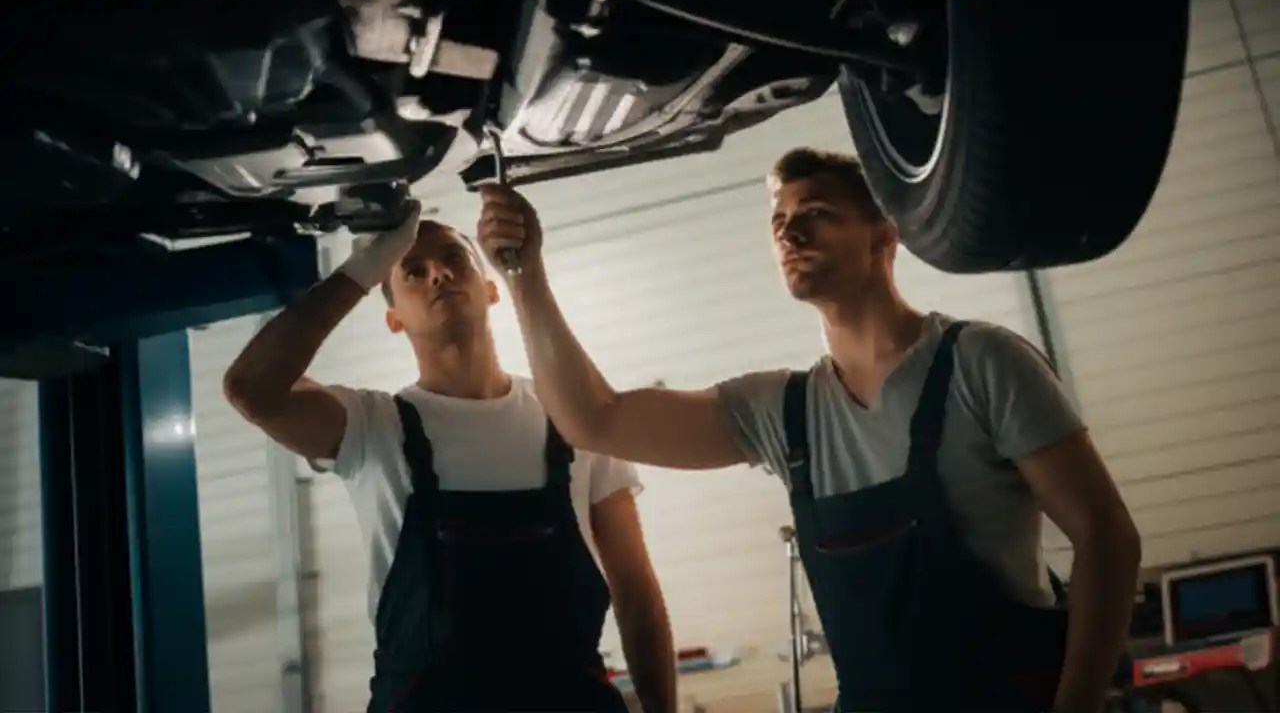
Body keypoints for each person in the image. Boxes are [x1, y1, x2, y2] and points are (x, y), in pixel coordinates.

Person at [476, 147, 1142, 713]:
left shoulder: (981, 363)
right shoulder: (784, 412)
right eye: (780, 222)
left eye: (817, 214)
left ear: (885, 233)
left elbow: (1106, 537)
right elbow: (594, 420)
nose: (790, 235)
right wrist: (523, 274)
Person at [223, 202, 676, 713]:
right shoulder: (372, 427)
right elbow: (250, 389)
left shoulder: (576, 417)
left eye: (454, 258)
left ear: (490, 289)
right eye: (413, 271)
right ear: (393, 319)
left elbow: (636, 590)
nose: (437, 274)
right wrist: (361, 271)